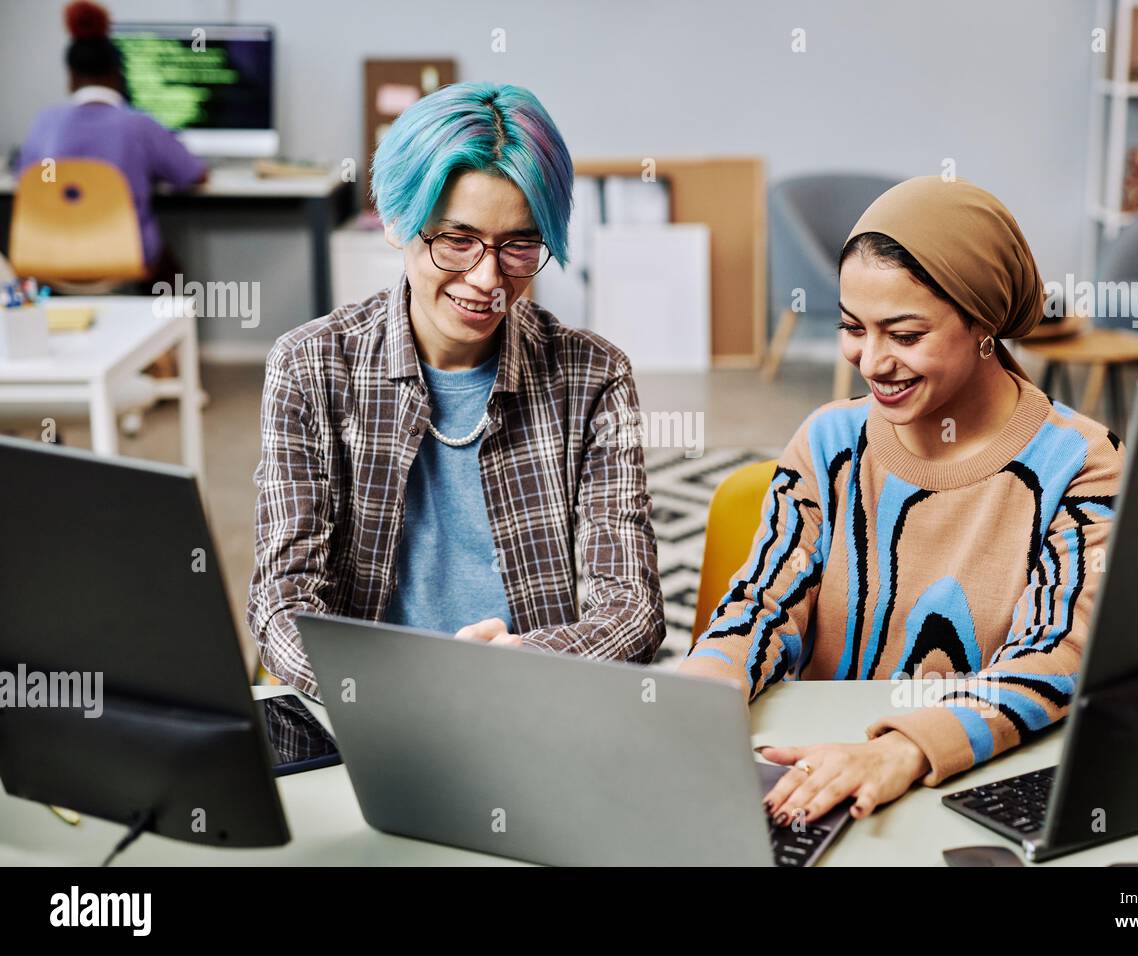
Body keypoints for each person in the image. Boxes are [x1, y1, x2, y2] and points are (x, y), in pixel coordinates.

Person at [679, 176, 1124, 826]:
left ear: (983, 324)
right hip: (810, 779)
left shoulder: (1081, 462)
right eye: (852, 328)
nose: (872, 360)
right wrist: (710, 678)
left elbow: (1058, 651)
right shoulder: (829, 440)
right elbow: (763, 601)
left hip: (968, 788)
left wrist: (904, 749)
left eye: (905, 334)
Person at [248, 82, 665, 697]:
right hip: (372, 707)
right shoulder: (310, 366)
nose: (487, 278)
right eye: (457, 240)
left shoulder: (595, 377)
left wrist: (520, 659)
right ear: (397, 221)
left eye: (519, 245)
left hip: (528, 700)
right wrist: (395, 685)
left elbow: (632, 608)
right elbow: (281, 600)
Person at [17, 2, 208, 283]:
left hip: (48, 256)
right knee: (173, 271)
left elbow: (30, 179)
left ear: (71, 77)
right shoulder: (139, 125)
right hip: (123, 256)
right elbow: (194, 174)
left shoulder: (43, 123)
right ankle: (176, 325)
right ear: (117, 75)